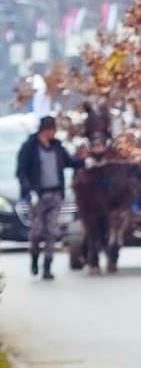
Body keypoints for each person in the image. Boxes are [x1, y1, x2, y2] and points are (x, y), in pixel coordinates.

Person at [16, 116, 82, 280]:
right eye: (52, 130)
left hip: (55, 194)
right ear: (45, 130)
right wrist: (28, 190)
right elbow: (21, 171)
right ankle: (34, 257)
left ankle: (47, 266)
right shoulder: (30, 147)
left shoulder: (57, 147)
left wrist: (84, 161)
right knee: (36, 232)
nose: (54, 133)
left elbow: (69, 162)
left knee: (51, 232)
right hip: (37, 196)